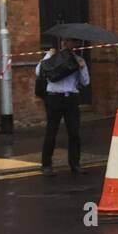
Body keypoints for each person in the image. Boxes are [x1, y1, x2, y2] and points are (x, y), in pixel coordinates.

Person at [37, 38, 90, 175]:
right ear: (62, 43)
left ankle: (75, 164)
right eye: (67, 42)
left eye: (73, 42)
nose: (69, 45)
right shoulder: (52, 57)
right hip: (54, 97)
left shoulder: (78, 59)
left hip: (71, 98)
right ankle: (46, 165)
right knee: (51, 131)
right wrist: (49, 55)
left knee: (74, 132)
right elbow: (38, 71)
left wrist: (83, 67)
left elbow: (85, 82)